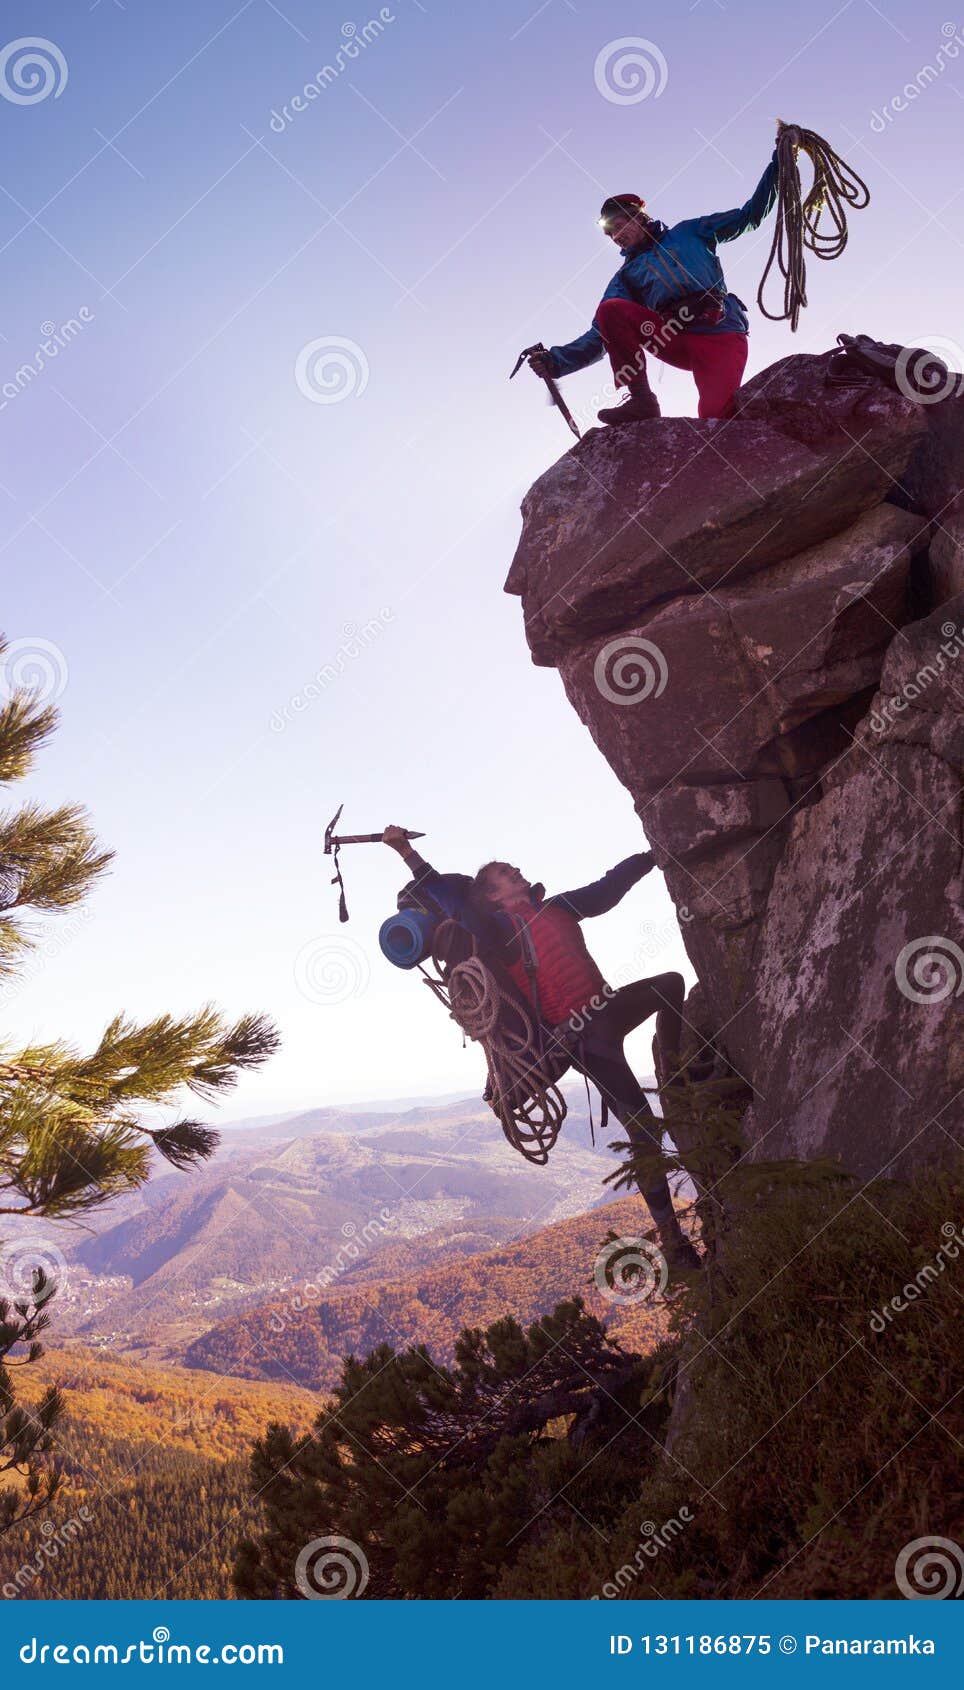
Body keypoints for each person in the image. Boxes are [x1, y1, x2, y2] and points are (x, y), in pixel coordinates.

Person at [383, 825, 699, 1271]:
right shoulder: (494, 929)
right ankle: (673, 1241)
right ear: (492, 896)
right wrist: (405, 851)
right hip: (581, 1037)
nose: (514, 869)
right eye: (503, 873)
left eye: (511, 868)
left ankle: (673, 1072)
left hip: (605, 1013)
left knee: (670, 984)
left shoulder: (560, 906)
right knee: (642, 1129)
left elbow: (607, 888)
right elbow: (449, 898)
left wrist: (653, 855)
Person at [529, 125, 790, 423]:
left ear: (640, 218)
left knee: (716, 420)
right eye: (610, 234)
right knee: (611, 310)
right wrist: (556, 362)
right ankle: (642, 401)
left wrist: (779, 162)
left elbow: (749, 215)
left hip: (722, 333)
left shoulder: (691, 232)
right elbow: (601, 333)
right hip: (674, 337)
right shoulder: (626, 277)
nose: (616, 237)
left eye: (619, 226)